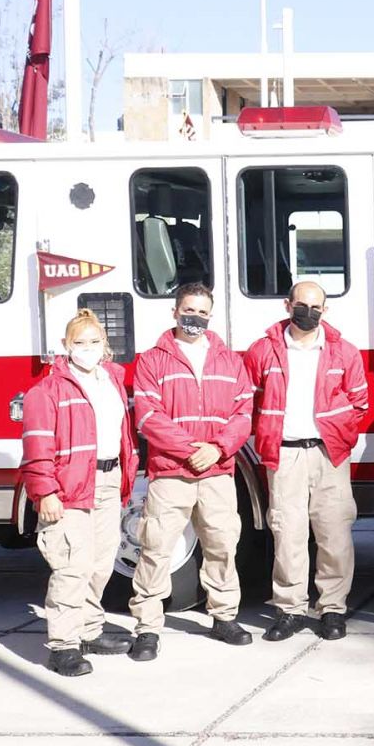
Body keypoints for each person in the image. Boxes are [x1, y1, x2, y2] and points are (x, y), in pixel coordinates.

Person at [128, 282, 255, 661]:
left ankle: (224, 617)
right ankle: (148, 627)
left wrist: (216, 448)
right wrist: (190, 451)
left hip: (216, 472)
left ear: (210, 315)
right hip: (171, 473)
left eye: (202, 312)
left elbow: (243, 413)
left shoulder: (230, 360)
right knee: (155, 549)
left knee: (222, 546)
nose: (194, 317)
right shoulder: (152, 360)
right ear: (174, 311)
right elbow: (148, 416)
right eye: (188, 309)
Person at [245, 281, 369, 643]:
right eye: (302, 305)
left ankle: (332, 609)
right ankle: (290, 609)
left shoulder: (343, 351)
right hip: (283, 454)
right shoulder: (262, 350)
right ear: (287, 305)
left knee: (334, 534)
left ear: (325, 310)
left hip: (329, 454)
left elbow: (359, 402)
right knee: (288, 533)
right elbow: (249, 399)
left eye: (316, 307)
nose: (309, 312)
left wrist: (339, 433)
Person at [20, 309, 140, 677]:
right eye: (79, 343)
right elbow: (37, 446)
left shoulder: (112, 380)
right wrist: (46, 493)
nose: (87, 349)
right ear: (65, 346)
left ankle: (89, 630)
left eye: (93, 342)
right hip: (68, 489)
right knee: (72, 567)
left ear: (105, 344)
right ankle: (64, 645)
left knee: (101, 564)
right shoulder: (48, 390)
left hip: (106, 482)